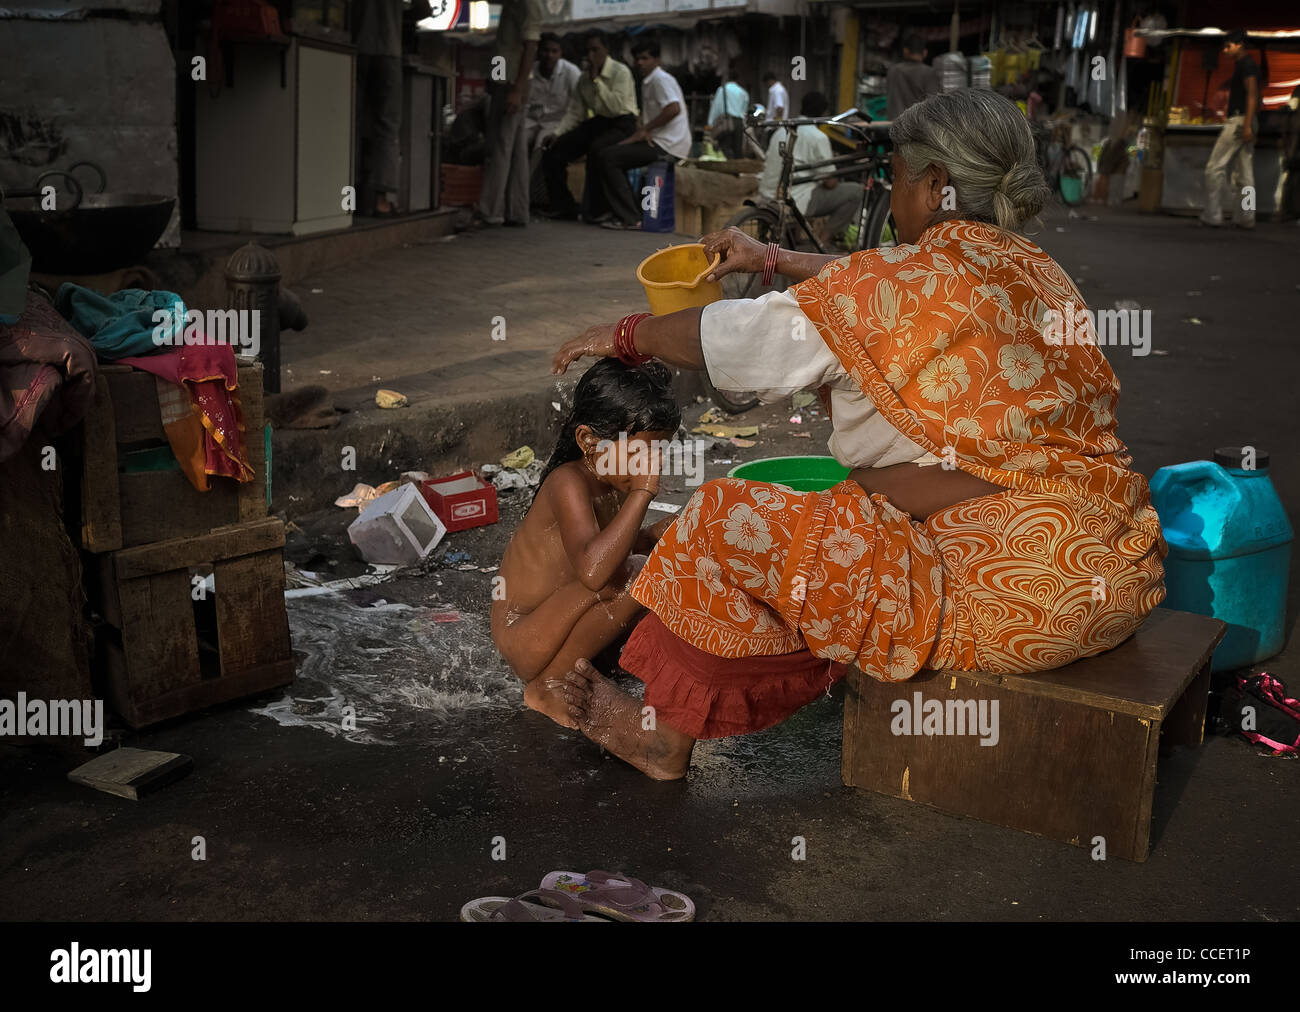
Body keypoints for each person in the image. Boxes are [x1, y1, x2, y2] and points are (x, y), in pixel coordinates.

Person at [549, 89, 1166, 780]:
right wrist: (771, 258)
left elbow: (744, 335)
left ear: (936, 188)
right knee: (840, 511)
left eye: (897, 178)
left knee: (723, 519)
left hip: (1009, 602)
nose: (891, 196)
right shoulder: (1040, 274)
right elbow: (873, 285)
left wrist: (630, 335)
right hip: (1114, 574)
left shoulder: (907, 279)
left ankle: (661, 741)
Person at [491, 359, 680, 728]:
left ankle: (597, 659)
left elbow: (615, 548)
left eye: (659, 452)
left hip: (559, 616)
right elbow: (595, 573)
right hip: (525, 635)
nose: (651, 466)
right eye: (641, 453)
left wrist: (661, 533)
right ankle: (549, 684)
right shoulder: (569, 483)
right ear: (589, 442)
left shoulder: (612, 481)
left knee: (665, 544)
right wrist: (644, 493)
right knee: (634, 575)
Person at [541, 31, 639, 222]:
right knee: (554, 149)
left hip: (623, 122)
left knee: (598, 150)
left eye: (596, 50)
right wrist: (557, 133)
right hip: (601, 122)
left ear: (606, 50)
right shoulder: (583, 78)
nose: (591, 55)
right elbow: (575, 112)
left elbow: (615, 106)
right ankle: (563, 205)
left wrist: (597, 81)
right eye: (588, 51)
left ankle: (599, 210)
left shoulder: (620, 72)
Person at [595, 39, 691, 230]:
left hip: (668, 144)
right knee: (610, 154)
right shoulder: (651, 80)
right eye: (637, 59)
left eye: (645, 58)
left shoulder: (659, 79)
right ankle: (628, 213)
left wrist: (646, 129)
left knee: (610, 157)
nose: (640, 63)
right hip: (661, 140)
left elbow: (673, 108)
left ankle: (630, 217)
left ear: (656, 60)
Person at [758, 91, 864, 248]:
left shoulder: (781, 130)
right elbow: (830, 183)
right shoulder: (817, 136)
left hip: (767, 193)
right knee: (856, 191)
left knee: (804, 182)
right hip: (795, 200)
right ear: (823, 113)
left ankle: (799, 238)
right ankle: (823, 240)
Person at [354, 0, 430, 215]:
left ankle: (351, 196)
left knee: (353, 123)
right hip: (389, 49)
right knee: (387, 126)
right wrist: (399, 15)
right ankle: (382, 201)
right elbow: (423, 9)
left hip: (357, 47)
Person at [475, 0, 543, 227]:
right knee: (515, 149)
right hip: (505, 81)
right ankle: (517, 210)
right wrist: (495, 79)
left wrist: (517, 88)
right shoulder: (512, 5)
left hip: (512, 83)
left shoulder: (527, 5)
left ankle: (489, 210)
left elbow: (530, 47)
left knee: (500, 146)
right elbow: (503, 48)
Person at [1201, 29, 1262, 229]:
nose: (1225, 50)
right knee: (1245, 173)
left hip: (1239, 120)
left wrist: (1245, 126)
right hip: (1246, 121)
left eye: (1229, 46)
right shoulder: (1247, 65)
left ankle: (1213, 214)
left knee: (1214, 168)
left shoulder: (1246, 65)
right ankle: (1246, 217)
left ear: (1239, 45)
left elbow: (1252, 95)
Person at [525, 33, 581, 210]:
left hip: (556, 123)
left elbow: (577, 106)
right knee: (516, 143)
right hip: (530, 121)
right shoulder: (530, 71)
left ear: (560, 53)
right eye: (545, 51)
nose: (549, 55)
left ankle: (524, 195)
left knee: (540, 147)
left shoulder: (571, 73)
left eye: (554, 51)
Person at [886, 32, 940, 121]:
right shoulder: (929, 72)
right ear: (925, 53)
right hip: (915, 129)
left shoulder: (893, 71)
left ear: (905, 51)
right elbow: (933, 105)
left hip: (892, 127)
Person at [708, 75, 750, 159]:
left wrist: (710, 122)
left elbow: (717, 107)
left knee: (725, 148)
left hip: (726, 121)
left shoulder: (722, 90)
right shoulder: (743, 92)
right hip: (739, 122)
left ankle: (726, 169)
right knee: (737, 149)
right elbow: (744, 110)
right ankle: (737, 169)